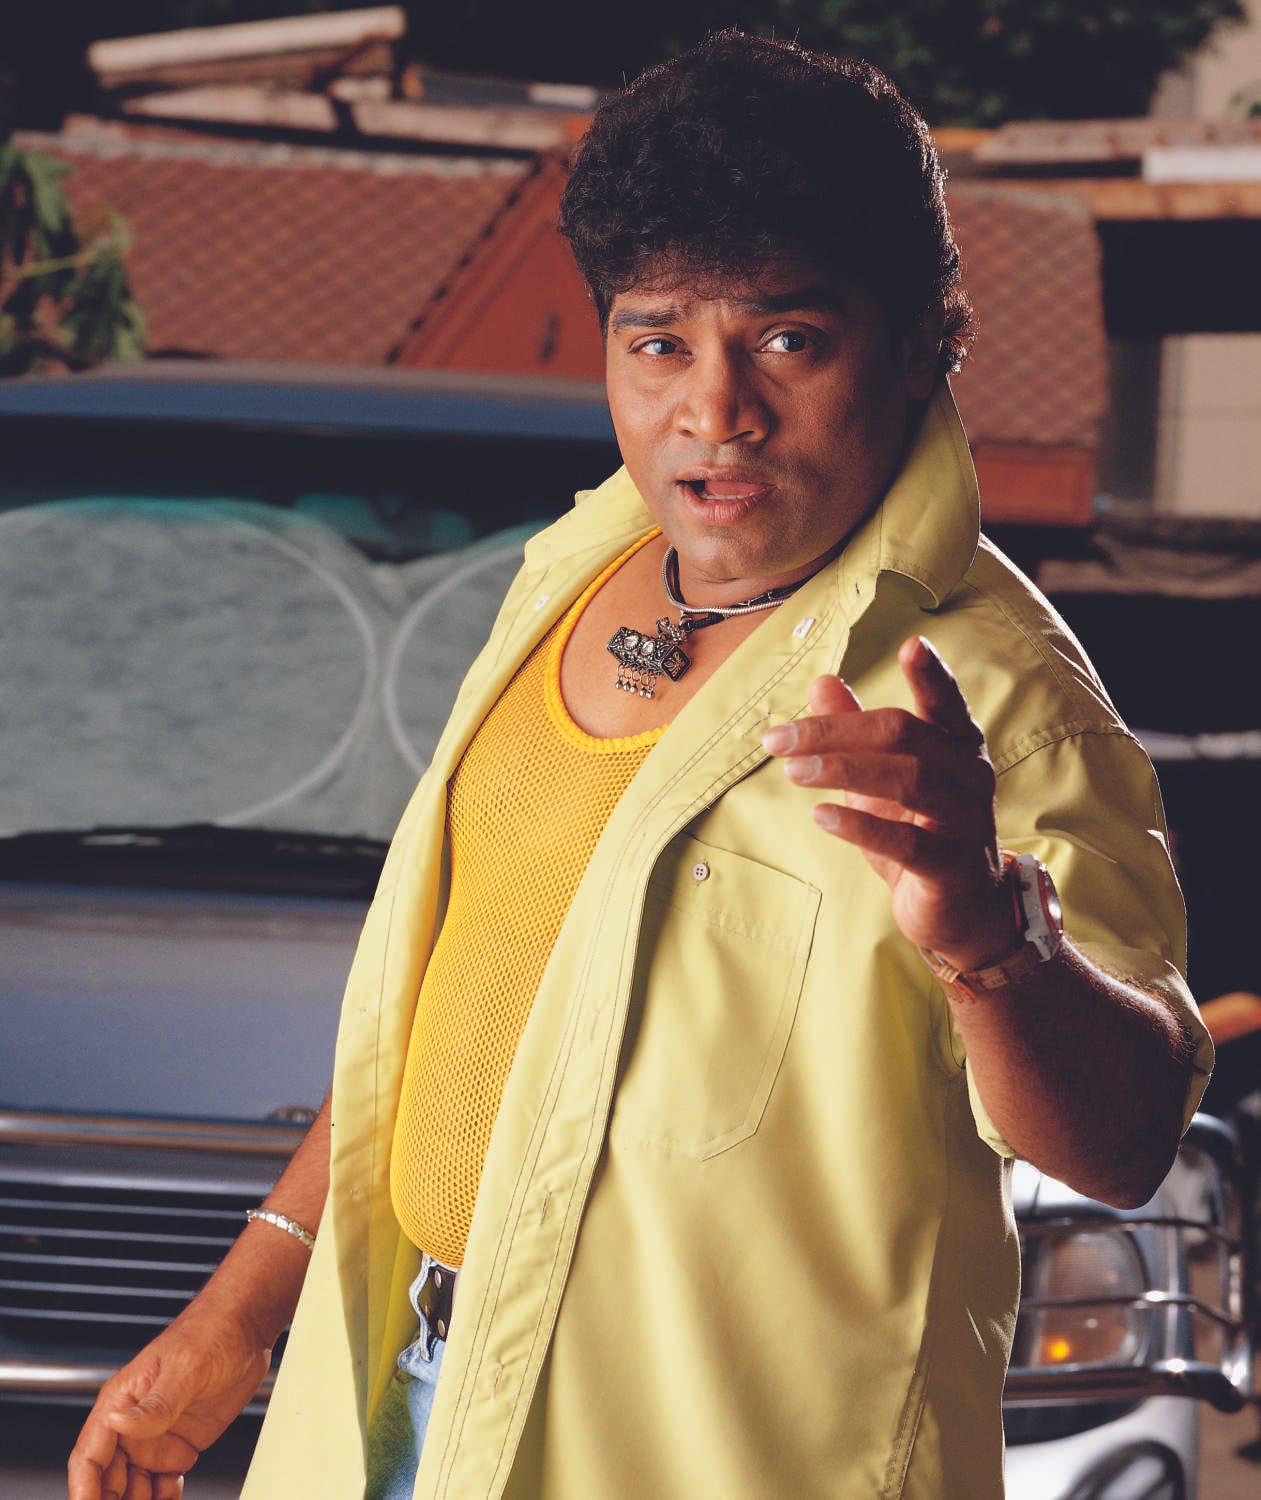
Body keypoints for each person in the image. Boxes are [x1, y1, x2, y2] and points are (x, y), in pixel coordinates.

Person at [68, 31, 1211, 1500]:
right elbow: (451, 1001)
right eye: (659, 341)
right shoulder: (574, 569)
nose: (713, 412)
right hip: (411, 1410)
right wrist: (239, 1313)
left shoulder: (1000, 700)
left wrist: (995, 943)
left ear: (927, 341)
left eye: (789, 340)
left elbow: (1124, 1141)